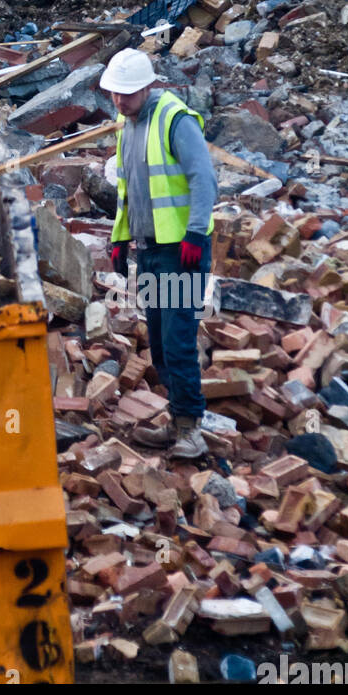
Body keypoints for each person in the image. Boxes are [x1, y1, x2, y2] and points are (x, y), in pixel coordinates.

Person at [99, 48, 218, 459]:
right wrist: (119, 237)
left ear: (149, 86)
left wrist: (197, 234)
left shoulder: (175, 118)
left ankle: (191, 430)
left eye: (127, 94)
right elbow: (126, 188)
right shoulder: (126, 125)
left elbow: (204, 178)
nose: (120, 101)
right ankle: (176, 419)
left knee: (179, 340)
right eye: (115, 94)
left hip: (181, 253)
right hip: (151, 251)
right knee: (161, 345)